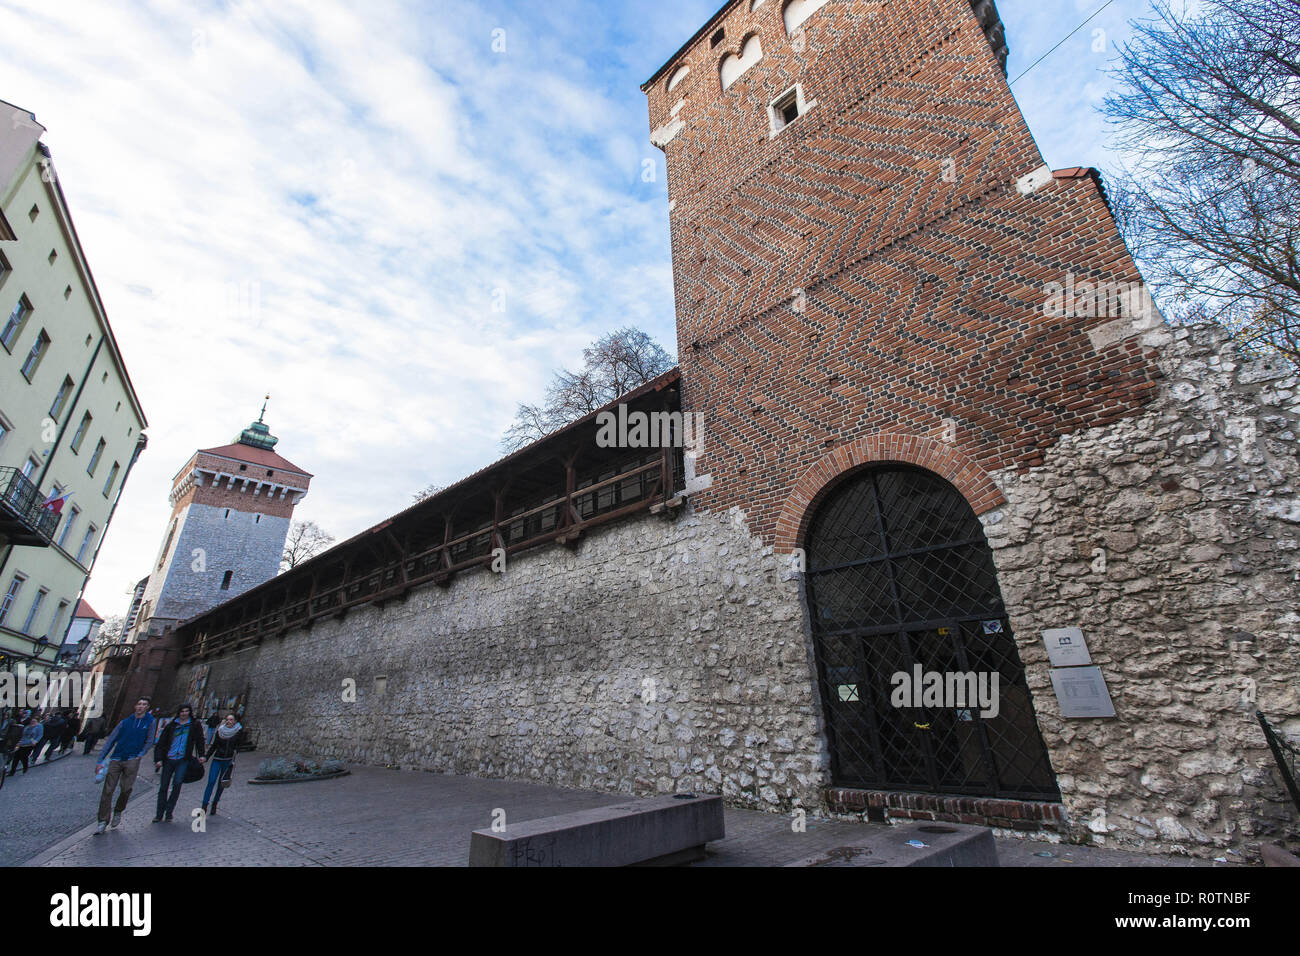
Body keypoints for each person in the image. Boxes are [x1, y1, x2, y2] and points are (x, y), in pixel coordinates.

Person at [93, 698, 157, 835]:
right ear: (135, 706)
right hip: (116, 758)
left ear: (147, 708)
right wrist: (100, 760)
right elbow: (111, 741)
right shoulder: (125, 723)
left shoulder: (150, 722)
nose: (141, 707)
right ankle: (102, 821)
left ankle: (118, 810)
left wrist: (140, 754)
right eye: (139, 704)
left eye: (144, 705)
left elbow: (150, 740)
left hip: (132, 758)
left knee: (126, 789)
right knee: (107, 790)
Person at [153, 703, 205, 822]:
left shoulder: (194, 725)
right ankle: (159, 813)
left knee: (177, 784)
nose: (184, 713)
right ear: (179, 712)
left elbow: (200, 740)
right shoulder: (171, 725)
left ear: (189, 712)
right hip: (169, 759)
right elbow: (161, 743)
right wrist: (158, 759)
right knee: (163, 787)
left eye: (186, 711)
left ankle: (169, 811)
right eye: (182, 711)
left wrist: (202, 755)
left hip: (183, 759)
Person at [201, 713, 242, 817]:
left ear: (235, 721)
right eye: (227, 719)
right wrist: (206, 756)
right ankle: (204, 806)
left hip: (228, 761)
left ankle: (215, 803)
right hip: (217, 759)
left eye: (231, 720)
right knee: (211, 781)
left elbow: (238, 745)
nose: (229, 721)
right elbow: (214, 746)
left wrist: (236, 751)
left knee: (222, 783)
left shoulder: (238, 732)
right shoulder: (220, 731)